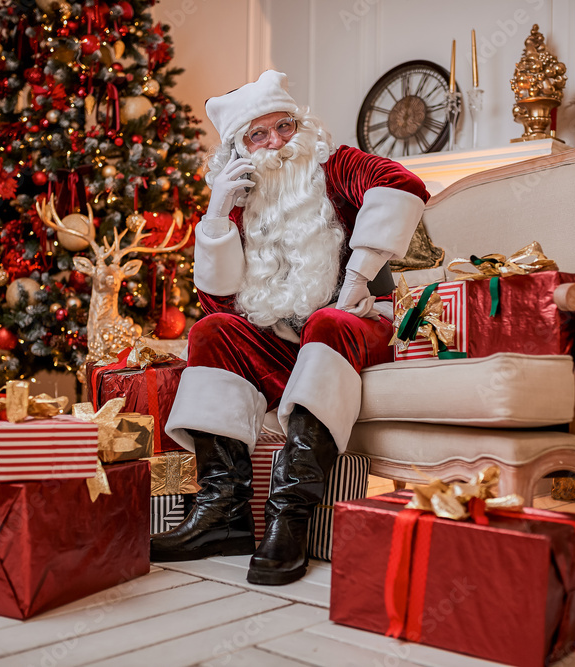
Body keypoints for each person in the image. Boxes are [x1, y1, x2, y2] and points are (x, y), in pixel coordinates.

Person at [155, 70, 429, 585]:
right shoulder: (240, 199)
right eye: (258, 135)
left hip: (357, 333)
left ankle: (291, 516)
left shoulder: (336, 164)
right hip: (290, 351)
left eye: (284, 126)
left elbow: (402, 183)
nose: (277, 143)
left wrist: (358, 275)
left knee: (329, 320)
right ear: (240, 151)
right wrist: (217, 214)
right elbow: (219, 301)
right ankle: (222, 514)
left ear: (301, 125)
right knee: (211, 331)